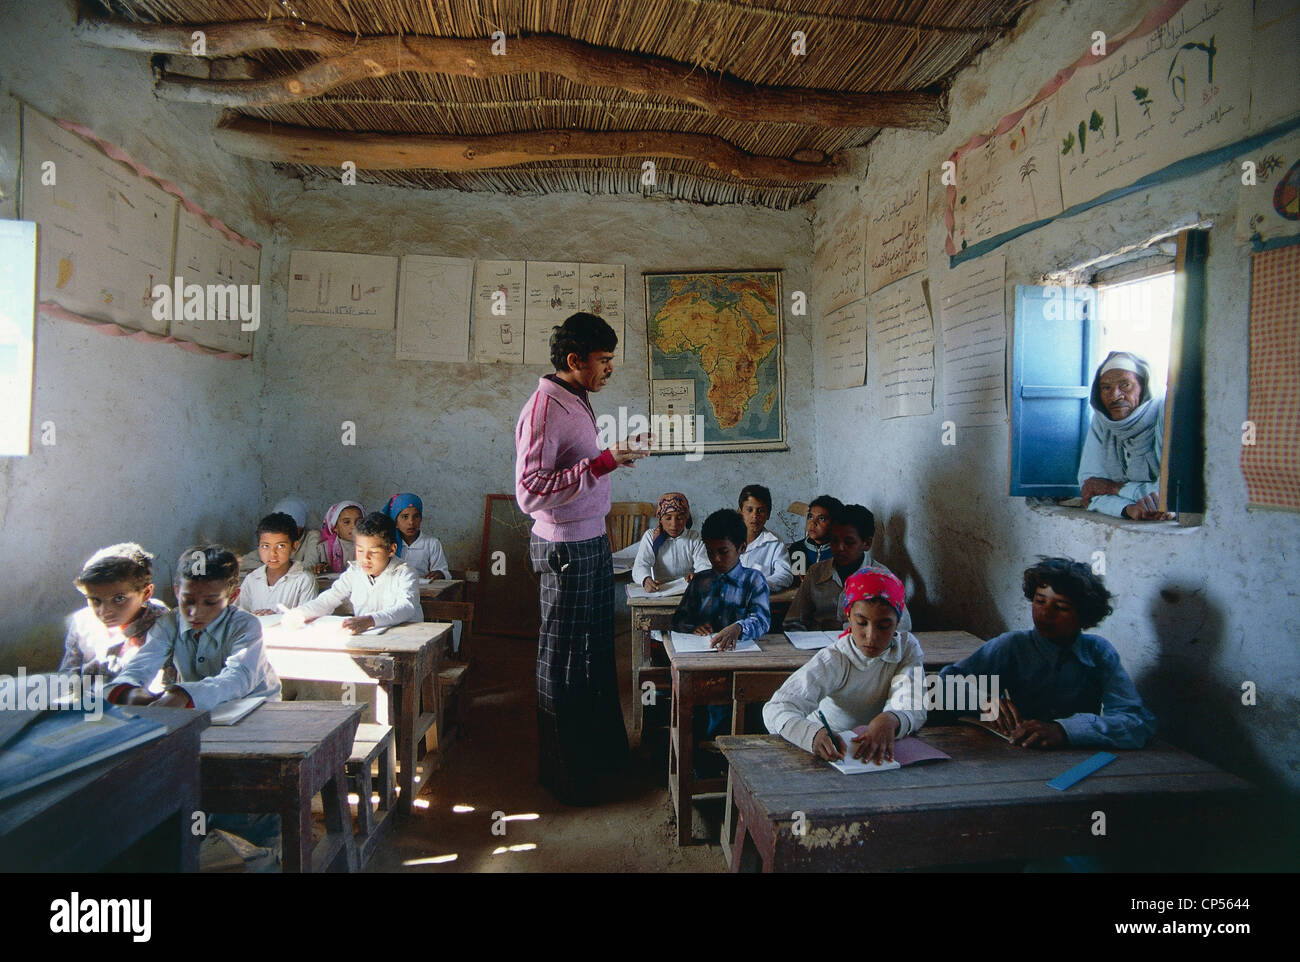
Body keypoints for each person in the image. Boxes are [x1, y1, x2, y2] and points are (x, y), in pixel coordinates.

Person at [514, 311, 646, 805]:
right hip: (564, 548)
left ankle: (599, 760)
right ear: (575, 360)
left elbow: (578, 468)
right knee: (564, 661)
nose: (610, 369)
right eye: (604, 360)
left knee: (593, 656)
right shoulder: (544, 407)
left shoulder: (577, 397)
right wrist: (604, 461)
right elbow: (529, 492)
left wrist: (613, 458)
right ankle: (567, 776)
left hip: (590, 540)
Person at [938, 557, 1156, 749]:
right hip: (1012, 754)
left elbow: (1136, 721)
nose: (1045, 613)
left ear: (1086, 618)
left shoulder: (1099, 652)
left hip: (1076, 758)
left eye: (1060, 607)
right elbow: (943, 685)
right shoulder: (1012, 645)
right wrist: (982, 699)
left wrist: (1065, 730)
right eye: (1039, 601)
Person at [764, 571, 926, 764]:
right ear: (848, 617)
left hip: (877, 751)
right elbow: (776, 708)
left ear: (898, 623)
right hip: (831, 749)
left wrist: (892, 718)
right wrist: (812, 734)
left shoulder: (907, 648)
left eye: (883, 626)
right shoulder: (836, 658)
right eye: (861, 623)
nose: (871, 636)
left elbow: (912, 701)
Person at [107, 546, 281, 711]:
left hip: (255, 707)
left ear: (232, 596)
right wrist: (129, 690)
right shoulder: (168, 623)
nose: (195, 612)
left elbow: (238, 678)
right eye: (188, 600)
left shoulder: (245, 625)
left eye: (210, 602)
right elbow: (142, 664)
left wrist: (185, 694)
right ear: (177, 592)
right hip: (196, 708)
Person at [784, 504, 912, 633]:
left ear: (867, 543)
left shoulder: (881, 577)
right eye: (834, 541)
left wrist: (845, 628)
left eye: (849, 542)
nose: (840, 548)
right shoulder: (815, 572)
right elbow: (792, 621)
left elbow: (903, 626)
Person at [286, 512, 422, 633]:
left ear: (392, 550)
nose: (365, 558)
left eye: (373, 552)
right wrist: (301, 613)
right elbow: (330, 598)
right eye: (360, 550)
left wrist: (370, 620)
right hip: (367, 637)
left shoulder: (405, 573)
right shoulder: (355, 571)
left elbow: (406, 607)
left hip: (403, 638)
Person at [1077, 351, 1172, 520]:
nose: (1115, 396)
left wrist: (1114, 488)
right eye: (1106, 388)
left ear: (1144, 387)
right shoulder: (1102, 422)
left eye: (1125, 385)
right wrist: (1127, 508)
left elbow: (1167, 495)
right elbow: (1089, 490)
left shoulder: (1166, 413)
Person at [59, 543, 169, 680]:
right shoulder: (82, 623)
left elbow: (166, 684)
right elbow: (68, 676)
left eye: (119, 599)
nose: (104, 611)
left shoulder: (164, 625)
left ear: (146, 593)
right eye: (95, 600)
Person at [671, 509, 771, 652]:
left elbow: (762, 621)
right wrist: (693, 626)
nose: (715, 558)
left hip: (741, 652)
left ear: (742, 548)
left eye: (723, 552)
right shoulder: (700, 580)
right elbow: (678, 620)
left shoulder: (754, 580)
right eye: (710, 551)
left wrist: (739, 627)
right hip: (701, 652)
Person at [236, 512, 319, 614]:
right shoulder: (252, 579)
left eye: (281, 546)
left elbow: (308, 620)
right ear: (258, 547)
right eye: (266, 546)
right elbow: (239, 616)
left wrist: (275, 618)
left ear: (294, 546)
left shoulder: (304, 580)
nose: (273, 553)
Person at [631, 491, 709, 591]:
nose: (674, 524)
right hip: (659, 590)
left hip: (686, 590)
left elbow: (705, 565)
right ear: (660, 519)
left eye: (680, 518)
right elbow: (641, 565)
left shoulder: (694, 538)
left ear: (686, 518)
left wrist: (699, 577)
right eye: (668, 518)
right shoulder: (651, 537)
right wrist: (645, 579)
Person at [239, 497, 326, 574]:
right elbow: (242, 562)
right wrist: (271, 567)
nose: (284, 531)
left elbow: (310, 565)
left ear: (300, 525)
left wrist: (274, 567)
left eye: (291, 526)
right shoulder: (273, 539)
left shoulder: (312, 536)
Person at [736, 483, 793, 591]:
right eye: (749, 510)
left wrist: (760, 585)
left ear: (768, 514)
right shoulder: (726, 539)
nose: (755, 516)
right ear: (740, 512)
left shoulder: (775, 543)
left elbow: (785, 575)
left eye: (760, 511)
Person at [384, 493, 450, 580]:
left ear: (421, 518)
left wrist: (440, 573)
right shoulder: (388, 544)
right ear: (395, 521)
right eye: (405, 517)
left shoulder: (432, 543)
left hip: (425, 592)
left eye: (416, 516)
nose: (411, 522)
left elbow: (444, 572)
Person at [788, 495, 842, 576]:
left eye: (821, 518)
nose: (813, 523)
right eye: (810, 517)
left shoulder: (841, 553)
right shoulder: (796, 549)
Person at [320, 500, 363, 573]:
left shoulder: (369, 548)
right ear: (335, 527)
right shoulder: (323, 548)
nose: (353, 526)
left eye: (358, 522)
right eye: (347, 522)